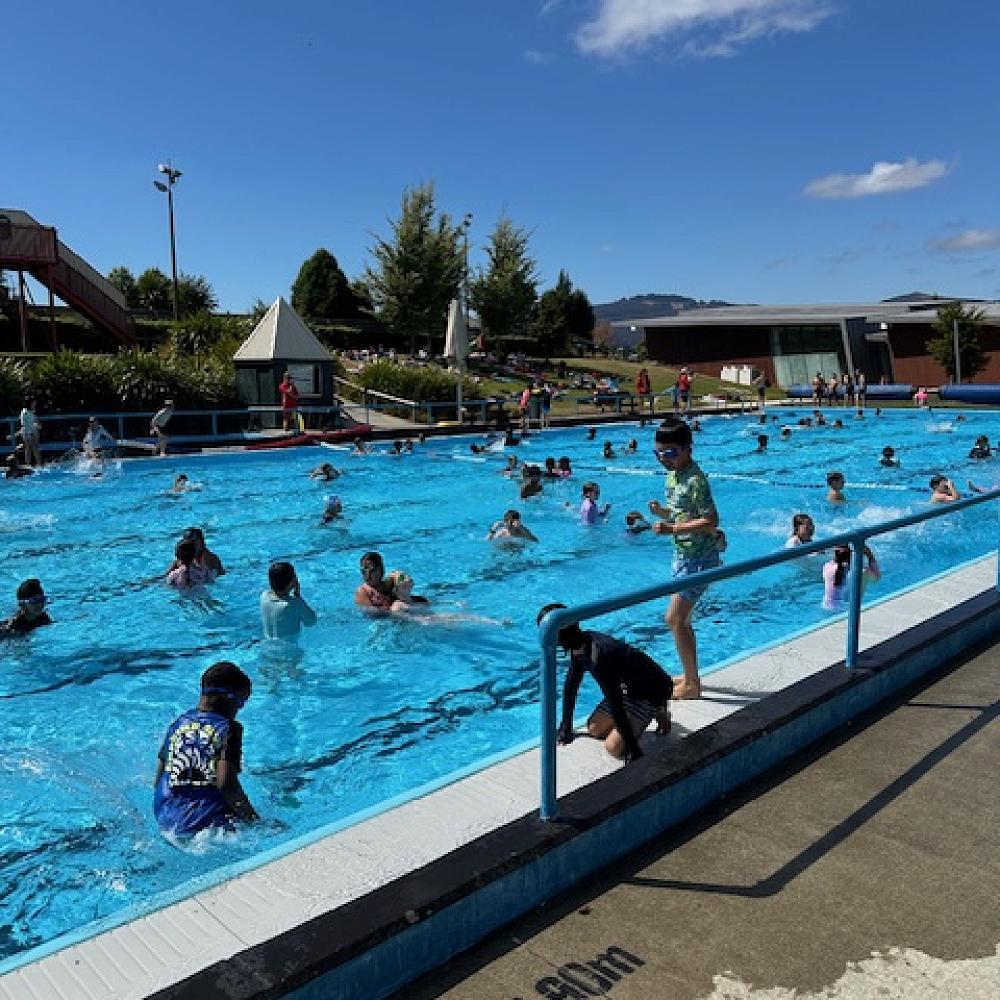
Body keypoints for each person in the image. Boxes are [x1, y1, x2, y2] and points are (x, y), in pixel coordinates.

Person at [539, 603, 672, 764]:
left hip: (653, 691)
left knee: (614, 748)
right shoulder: (580, 645)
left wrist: (634, 749)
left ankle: (659, 709)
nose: (543, 636)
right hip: (627, 689)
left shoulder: (599, 656)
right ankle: (635, 718)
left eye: (546, 631)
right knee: (594, 728)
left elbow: (615, 703)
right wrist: (566, 726)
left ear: (560, 634)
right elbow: (571, 686)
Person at [647, 418, 720, 700]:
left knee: (674, 619)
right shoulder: (673, 475)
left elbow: (711, 520)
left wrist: (672, 529)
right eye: (659, 454)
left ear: (688, 449)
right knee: (682, 620)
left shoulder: (696, 480)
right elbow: (683, 513)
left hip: (699, 557)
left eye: (671, 453)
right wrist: (662, 513)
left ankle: (692, 685)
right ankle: (690, 676)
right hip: (683, 555)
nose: (665, 460)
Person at [153, 661, 258, 838]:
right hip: (206, 828)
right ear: (228, 698)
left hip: (165, 819)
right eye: (241, 703)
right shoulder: (228, 728)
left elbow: (158, 779)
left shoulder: (177, 724)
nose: (239, 710)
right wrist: (255, 821)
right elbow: (226, 785)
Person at [260, 561, 317, 639]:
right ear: (292, 582)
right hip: (289, 649)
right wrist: (298, 595)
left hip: (267, 646)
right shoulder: (293, 604)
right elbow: (311, 622)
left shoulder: (264, 596)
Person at [822, 544, 880, 611]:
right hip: (848, 611)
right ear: (851, 554)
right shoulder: (861, 572)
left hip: (826, 607)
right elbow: (877, 578)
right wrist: (869, 555)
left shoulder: (826, 566)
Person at [18, 399, 41, 467]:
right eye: (34, 403)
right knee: (31, 449)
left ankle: (30, 464)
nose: (35, 404)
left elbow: (35, 421)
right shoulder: (25, 412)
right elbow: (24, 424)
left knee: (31, 449)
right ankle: (33, 464)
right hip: (28, 433)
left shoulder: (31, 411)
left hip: (31, 432)